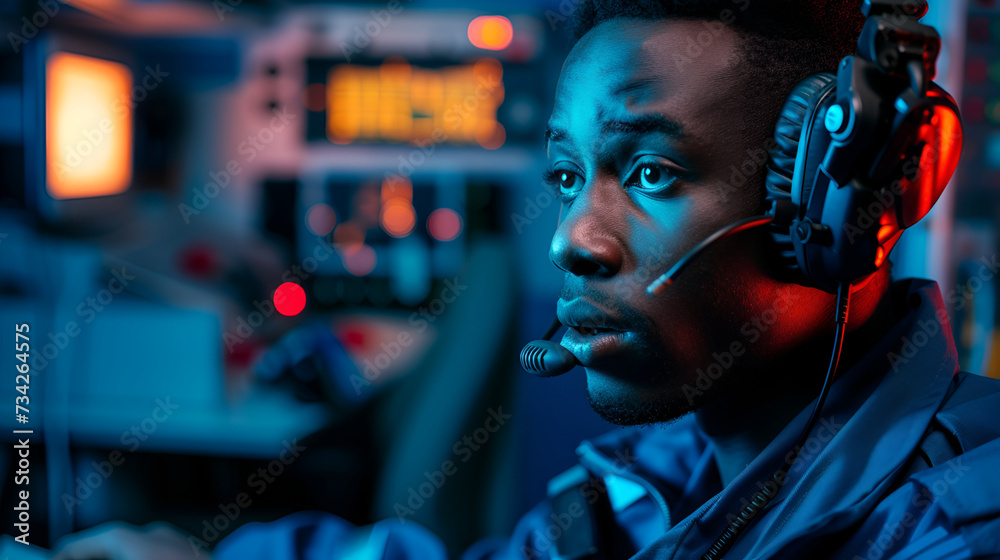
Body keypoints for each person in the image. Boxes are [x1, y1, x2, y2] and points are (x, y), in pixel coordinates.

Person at [53, 1, 1000, 559]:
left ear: (832, 209)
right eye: (564, 176)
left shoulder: (955, 529)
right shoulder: (663, 474)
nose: (571, 241)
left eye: (652, 173)